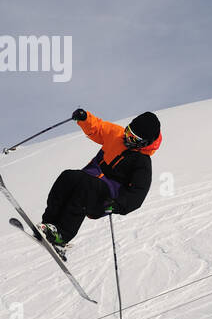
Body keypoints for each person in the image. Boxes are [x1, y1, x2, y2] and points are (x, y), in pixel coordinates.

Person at [39, 108, 161, 255]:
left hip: (105, 199)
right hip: (88, 178)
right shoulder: (117, 135)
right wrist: (84, 119)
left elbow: (137, 195)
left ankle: (62, 236)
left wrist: (117, 205)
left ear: (144, 143)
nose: (128, 138)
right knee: (68, 177)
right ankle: (49, 223)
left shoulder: (142, 163)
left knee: (87, 187)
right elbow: (98, 128)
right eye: (128, 132)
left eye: (134, 138)